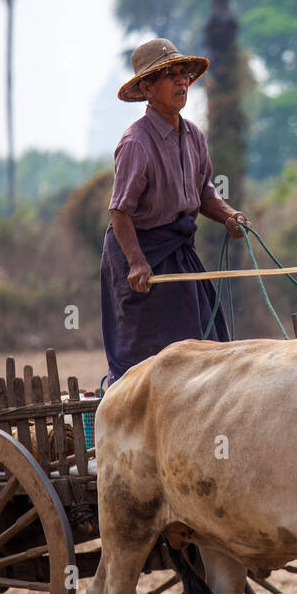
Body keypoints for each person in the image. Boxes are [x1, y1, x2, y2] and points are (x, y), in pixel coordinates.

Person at [100, 38, 248, 387]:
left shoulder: (194, 136)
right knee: (149, 358)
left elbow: (204, 193)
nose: (182, 82)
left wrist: (229, 215)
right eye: (170, 75)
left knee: (203, 340)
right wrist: (136, 262)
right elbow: (119, 212)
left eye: (184, 74)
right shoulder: (136, 142)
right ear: (148, 87)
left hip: (179, 251)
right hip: (141, 254)